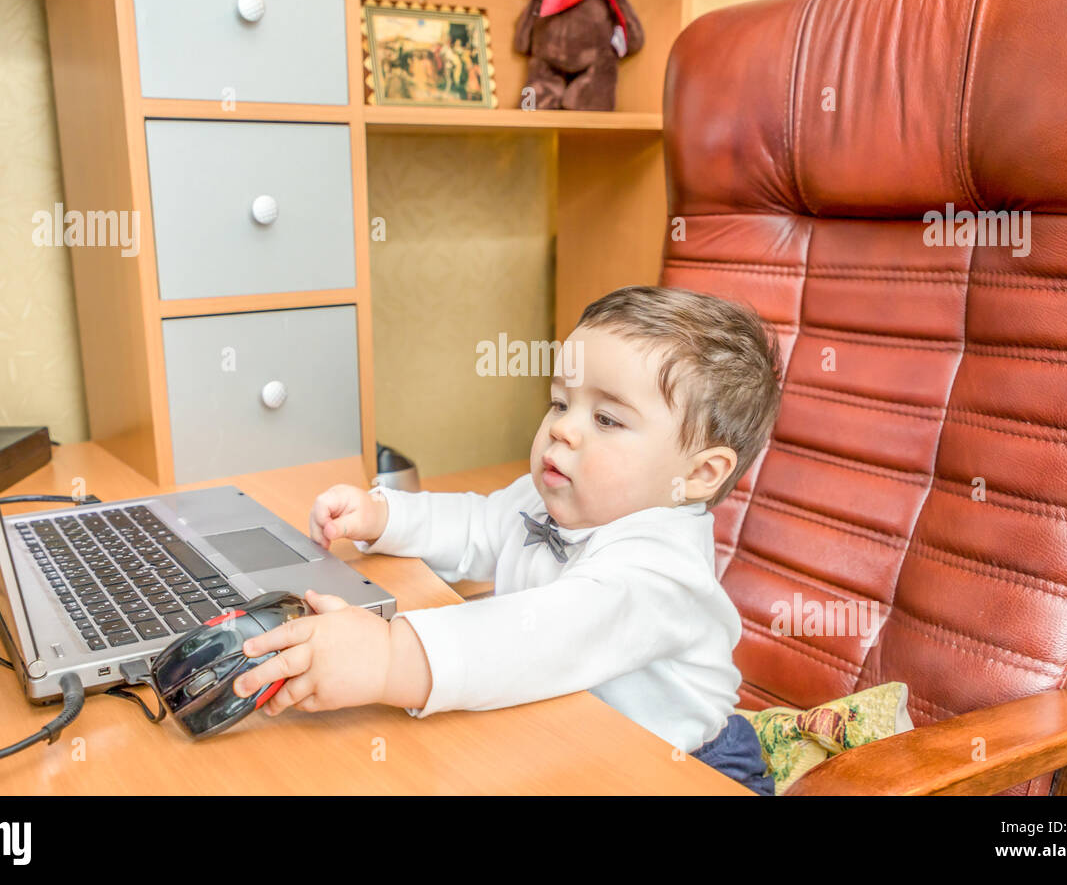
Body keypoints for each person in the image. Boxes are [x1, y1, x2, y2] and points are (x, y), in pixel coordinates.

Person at [232, 285, 783, 794]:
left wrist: (384, 656)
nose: (563, 428)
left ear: (700, 474)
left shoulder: (661, 574)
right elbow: (478, 526)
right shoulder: (554, 495)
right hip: (567, 731)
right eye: (561, 403)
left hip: (685, 766)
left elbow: (535, 639)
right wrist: (385, 516)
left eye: (608, 419)